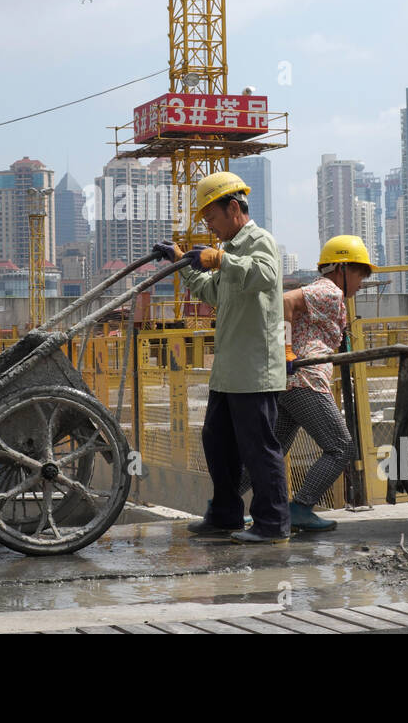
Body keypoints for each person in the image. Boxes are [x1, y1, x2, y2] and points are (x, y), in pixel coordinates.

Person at [152, 170, 289, 543]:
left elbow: (264, 274)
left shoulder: (259, 241)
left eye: (212, 218)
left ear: (233, 208)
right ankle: (226, 515)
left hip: (254, 370)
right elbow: (212, 293)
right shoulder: (227, 251)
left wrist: (219, 260)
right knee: (217, 443)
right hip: (229, 371)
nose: (211, 228)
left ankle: (272, 524)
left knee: (259, 449)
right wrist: (180, 261)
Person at [240, 235, 373, 531]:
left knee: (271, 450)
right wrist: (286, 347)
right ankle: (300, 507)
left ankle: (226, 504)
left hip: (289, 383)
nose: (362, 282)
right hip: (305, 382)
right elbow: (286, 301)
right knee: (341, 448)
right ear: (341, 268)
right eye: (360, 274)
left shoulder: (328, 294)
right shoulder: (330, 291)